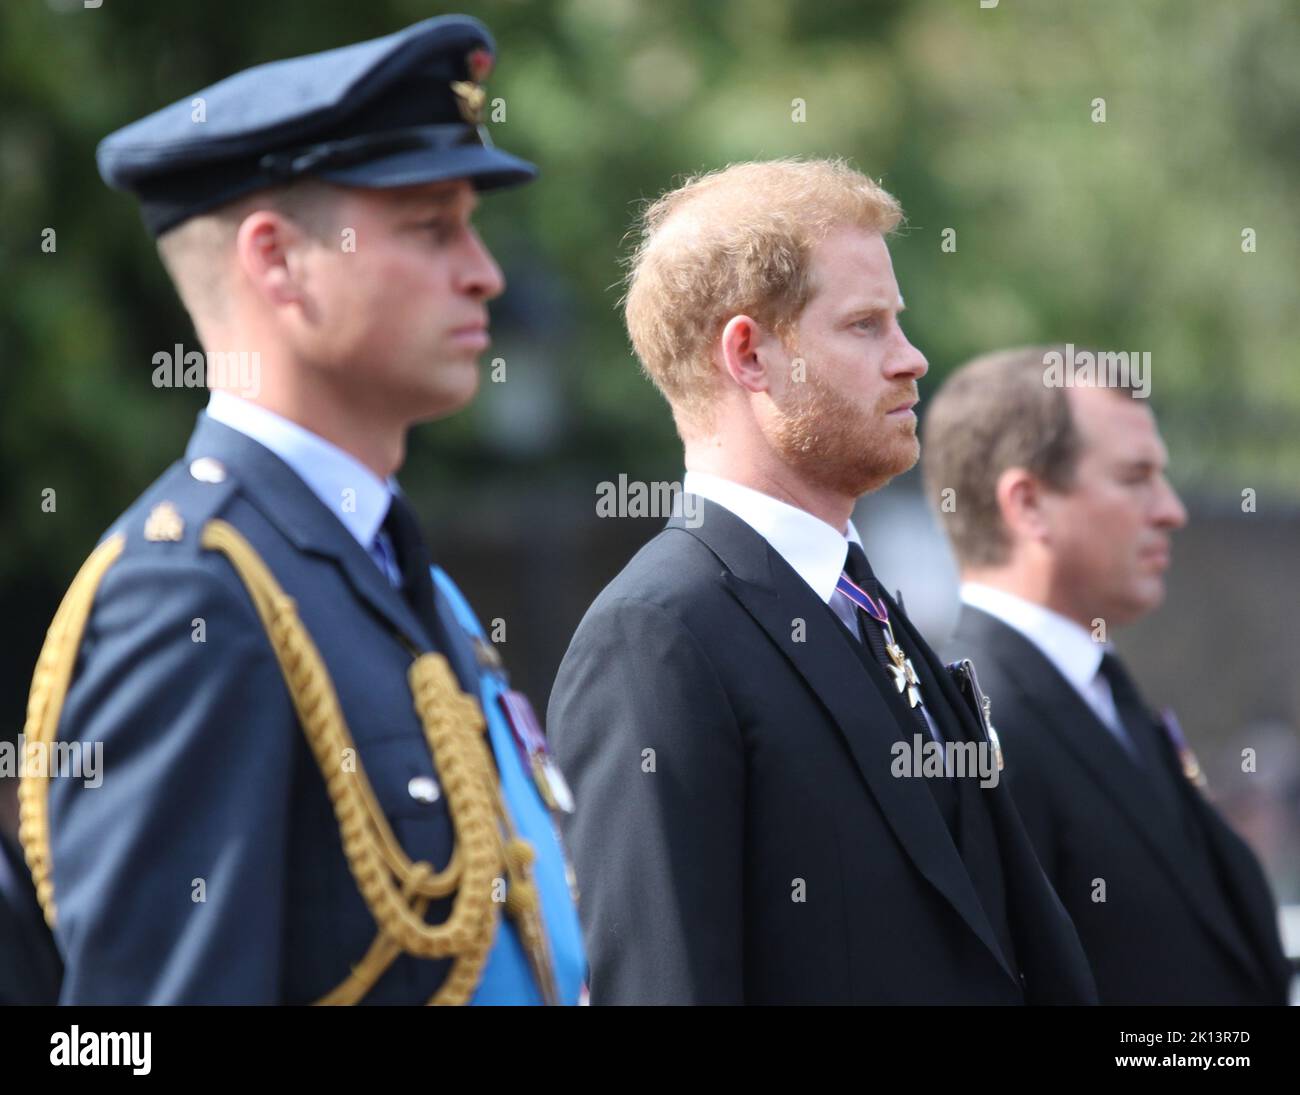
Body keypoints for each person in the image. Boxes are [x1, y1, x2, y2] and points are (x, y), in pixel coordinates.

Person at [18, 15, 583, 1005]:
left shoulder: (407, 580)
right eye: (430, 227)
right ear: (276, 262)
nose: (484, 272)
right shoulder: (192, 596)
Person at [547, 160, 1097, 1005]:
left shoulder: (861, 603)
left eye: (897, 321)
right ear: (752, 354)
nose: (911, 358)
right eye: (865, 325)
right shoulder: (656, 637)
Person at [925, 346, 1290, 1005]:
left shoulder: (1100, 692)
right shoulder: (978, 726)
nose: (1171, 510)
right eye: (1135, 477)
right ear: (1029, 504)